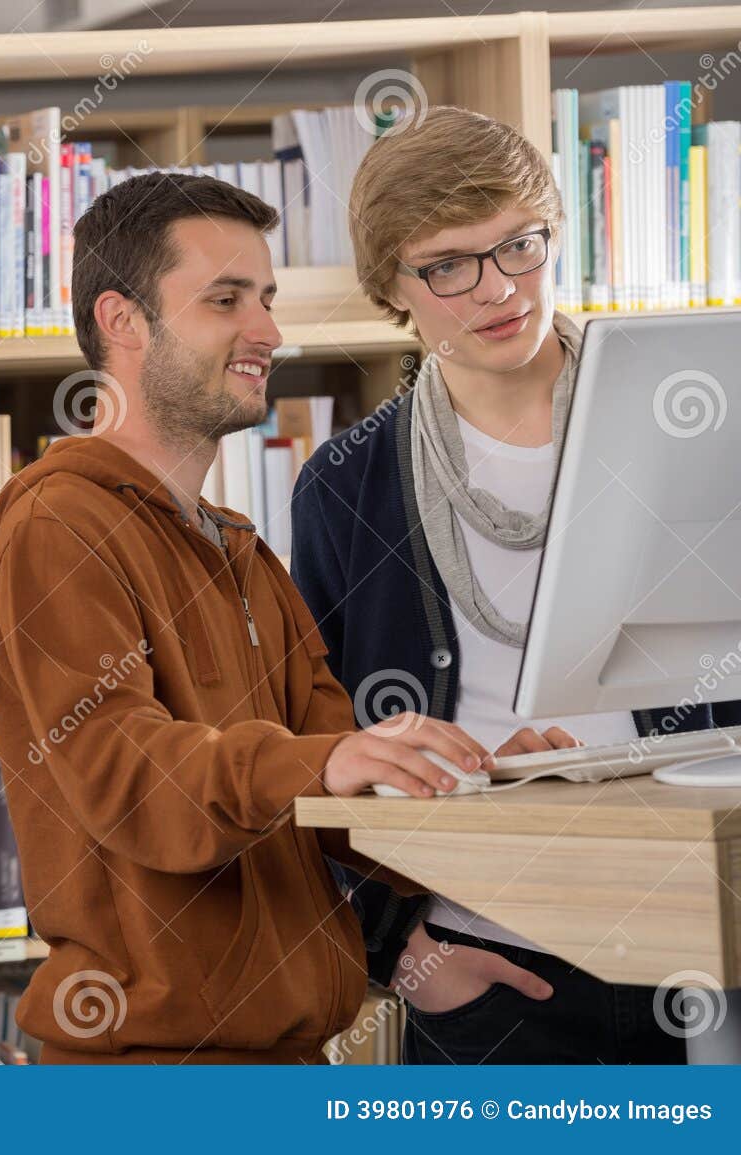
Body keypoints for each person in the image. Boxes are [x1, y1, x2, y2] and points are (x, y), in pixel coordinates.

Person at [0, 172, 490, 1064]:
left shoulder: (241, 551)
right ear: (122, 321)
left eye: (268, 299)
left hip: (283, 1058)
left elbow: (337, 786)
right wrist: (327, 758)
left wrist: (494, 781)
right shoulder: (57, 527)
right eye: (225, 300)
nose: (269, 333)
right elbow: (128, 772)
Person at [292, 105, 741, 1064]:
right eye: (449, 265)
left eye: (520, 246)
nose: (500, 290)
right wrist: (401, 949)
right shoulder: (347, 484)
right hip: (491, 953)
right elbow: (319, 736)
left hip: (704, 933)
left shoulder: (690, 413)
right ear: (392, 284)